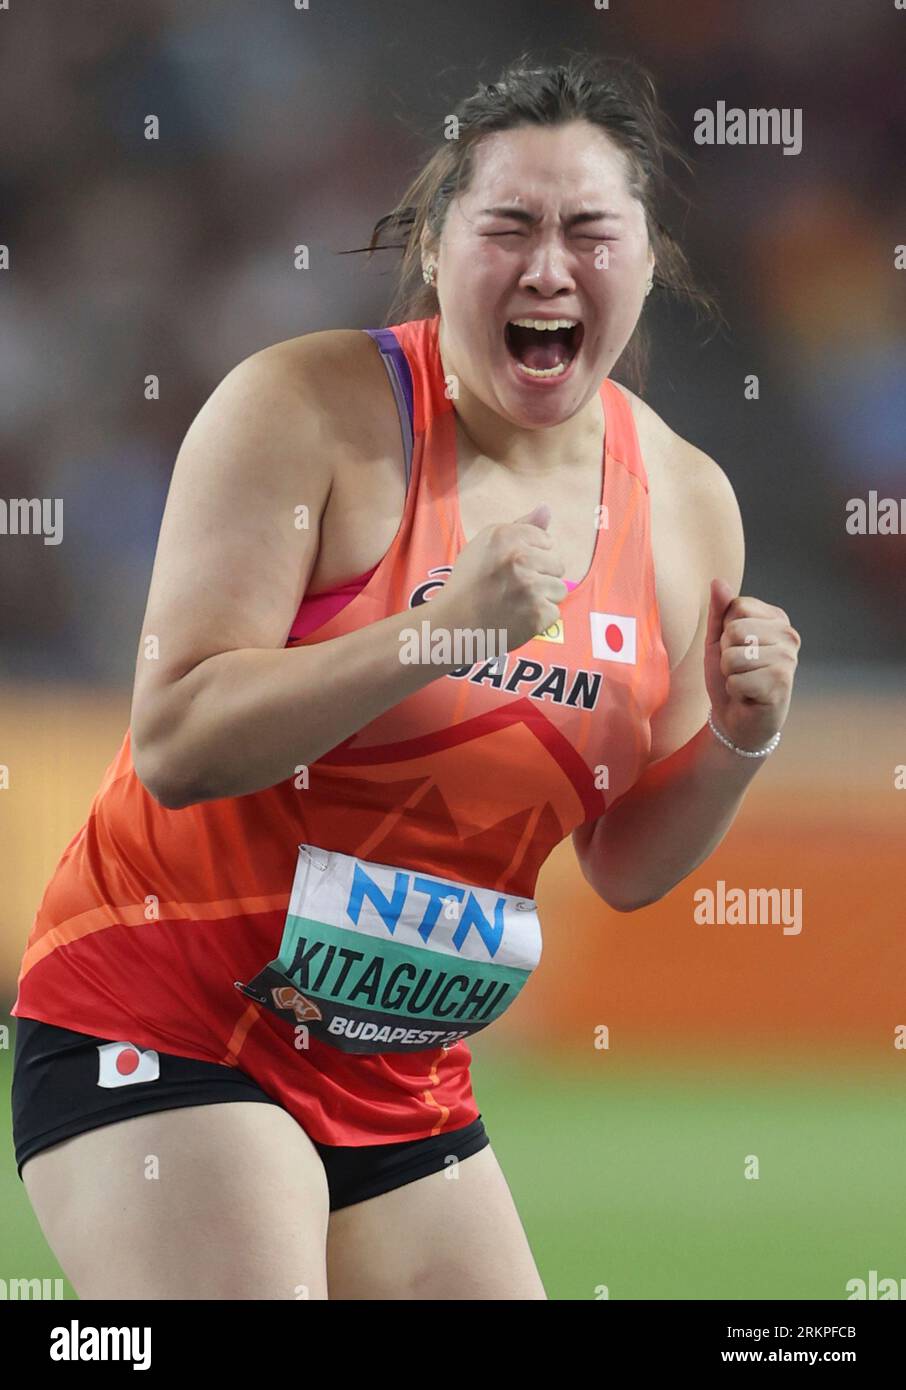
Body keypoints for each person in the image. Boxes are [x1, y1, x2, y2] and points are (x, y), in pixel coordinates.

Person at [10, 53, 800, 1301]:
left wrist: (742, 743)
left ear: (647, 263)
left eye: (591, 231)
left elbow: (626, 865)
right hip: (162, 1017)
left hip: (401, 1074)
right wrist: (439, 632)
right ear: (436, 246)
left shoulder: (691, 503)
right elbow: (176, 738)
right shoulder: (305, 410)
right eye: (510, 227)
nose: (551, 267)